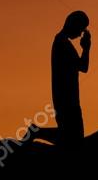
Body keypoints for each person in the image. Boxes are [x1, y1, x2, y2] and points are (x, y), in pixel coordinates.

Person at [31, 10, 90, 148]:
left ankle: (36, 132)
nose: (81, 33)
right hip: (67, 99)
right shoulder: (63, 44)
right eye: (81, 28)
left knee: (71, 136)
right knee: (74, 137)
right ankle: (36, 132)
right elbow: (83, 67)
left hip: (66, 98)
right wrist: (86, 48)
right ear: (74, 25)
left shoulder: (61, 42)